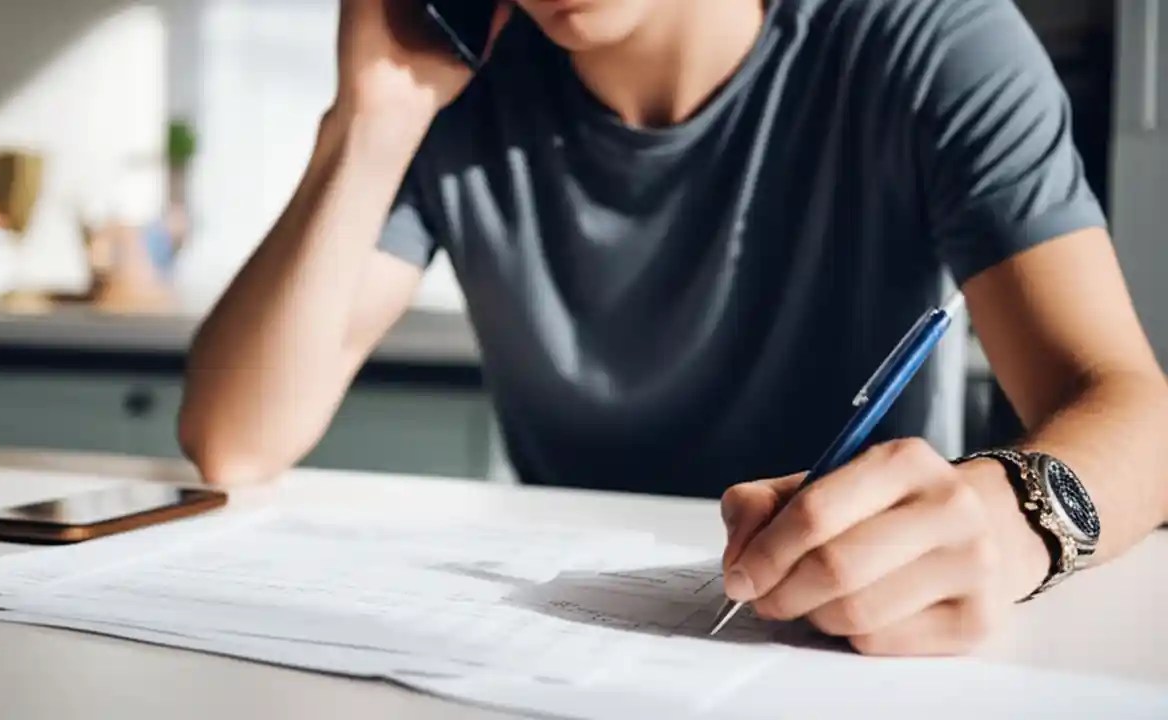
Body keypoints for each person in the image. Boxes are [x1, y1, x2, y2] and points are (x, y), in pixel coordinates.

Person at [179, 0, 1168, 657]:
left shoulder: (925, 35)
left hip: (851, 653)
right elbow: (237, 436)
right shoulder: (457, 82)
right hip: (561, 655)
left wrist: (1013, 519)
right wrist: (369, 120)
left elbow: (1135, 414)